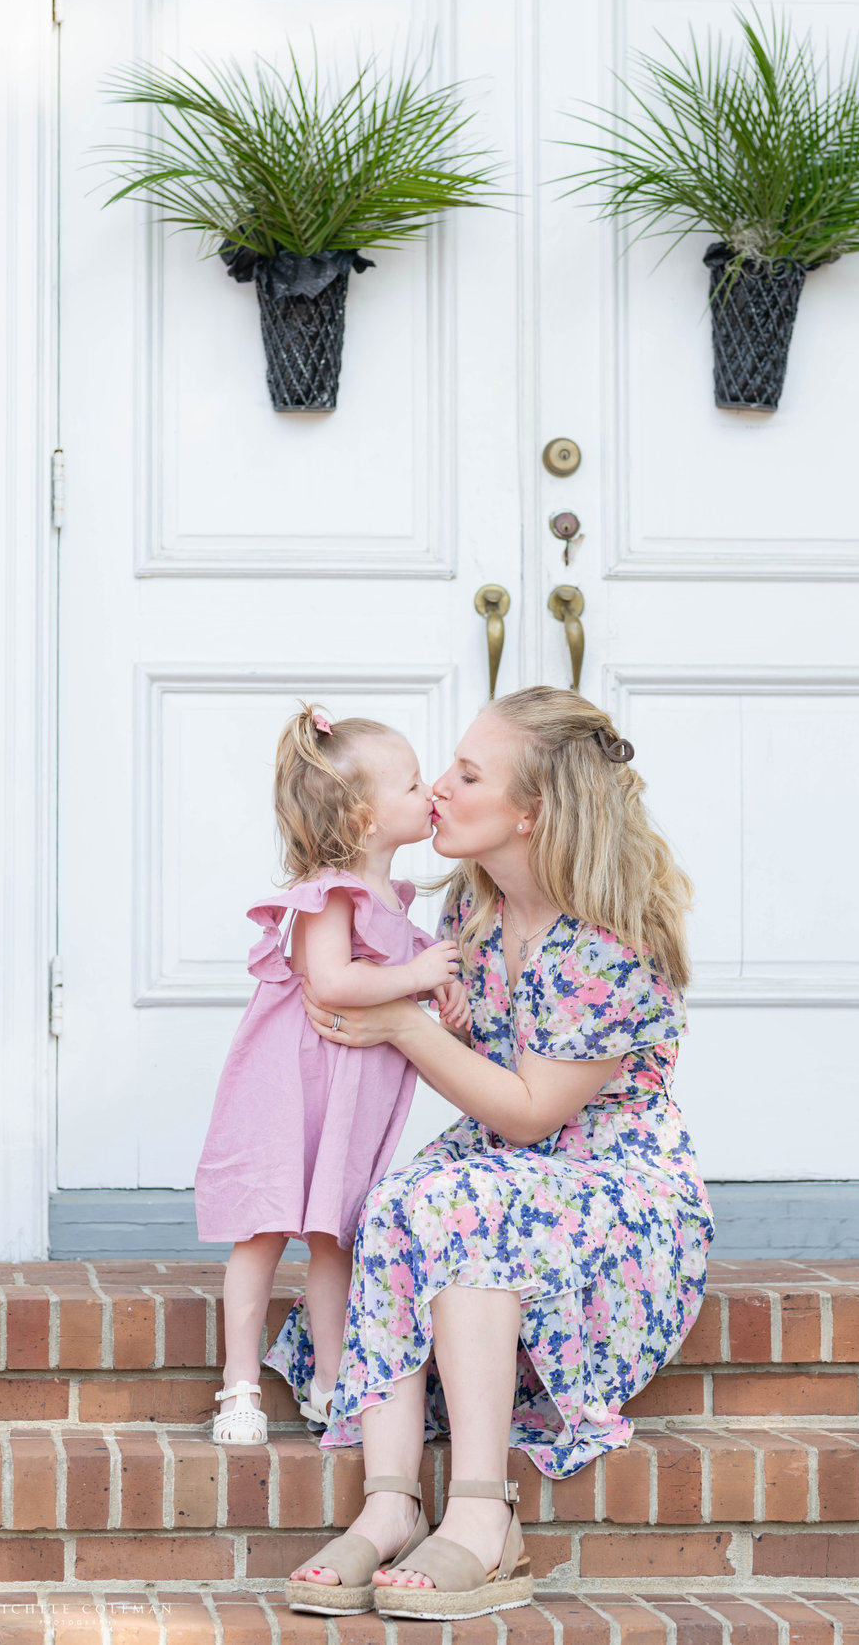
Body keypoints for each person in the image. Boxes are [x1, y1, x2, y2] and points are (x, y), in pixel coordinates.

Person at [274, 686, 713, 1621]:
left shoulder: (609, 945)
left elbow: (526, 1115)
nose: (438, 786)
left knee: (466, 1207)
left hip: (612, 1187)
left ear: (533, 812)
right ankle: (389, 1504)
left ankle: (484, 1514)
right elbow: (475, 1081)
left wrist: (395, 1019)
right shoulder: (470, 918)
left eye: (467, 774)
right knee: (398, 1203)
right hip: (506, 1168)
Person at [194, 706, 469, 1447]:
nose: (430, 794)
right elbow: (334, 982)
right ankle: (240, 1386)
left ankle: (328, 1383)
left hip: (350, 1096)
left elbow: (391, 981)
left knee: (332, 1238)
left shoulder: (394, 903)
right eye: (412, 784)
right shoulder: (329, 893)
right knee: (262, 1233)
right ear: (361, 814)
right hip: (293, 1088)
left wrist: (435, 986)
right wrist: (414, 972)